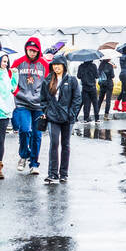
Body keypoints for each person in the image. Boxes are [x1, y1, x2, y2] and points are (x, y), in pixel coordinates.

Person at [12, 37, 49, 175]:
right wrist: (16, 91)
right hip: (22, 103)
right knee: (25, 130)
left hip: (38, 105)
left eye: (34, 51)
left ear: (38, 51)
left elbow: (49, 83)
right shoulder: (18, 62)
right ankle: (23, 155)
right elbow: (10, 78)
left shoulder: (44, 64)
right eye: (30, 50)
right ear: (26, 49)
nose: (32, 53)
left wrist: (46, 103)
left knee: (37, 134)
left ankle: (34, 163)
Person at [41, 56, 81, 184]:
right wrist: (46, 111)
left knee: (66, 144)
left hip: (68, 118)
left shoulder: (72, 80)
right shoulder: (47, 81)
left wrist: (72, 114)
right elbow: (43, 99)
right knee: (54, 144)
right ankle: (52, 174)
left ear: (64, 66)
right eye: (54, 64)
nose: (56, 67)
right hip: (53, 117)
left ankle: (64, 174)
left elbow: (77, 99)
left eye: (59, 64)